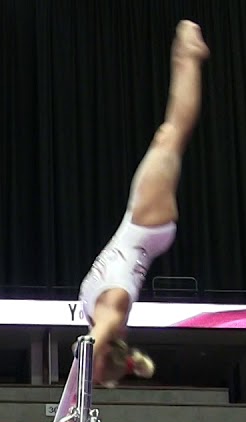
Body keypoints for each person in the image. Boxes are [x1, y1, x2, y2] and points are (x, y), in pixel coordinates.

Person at [79, 20, 210, 388]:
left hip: (145, 229)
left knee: (170, 136)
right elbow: (91, 346)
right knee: (171, 135)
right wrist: (72, 402)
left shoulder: (102, 320)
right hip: (143, 227)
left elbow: (93, 346)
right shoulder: (110, 315)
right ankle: (188, 56)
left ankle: (188, 57)